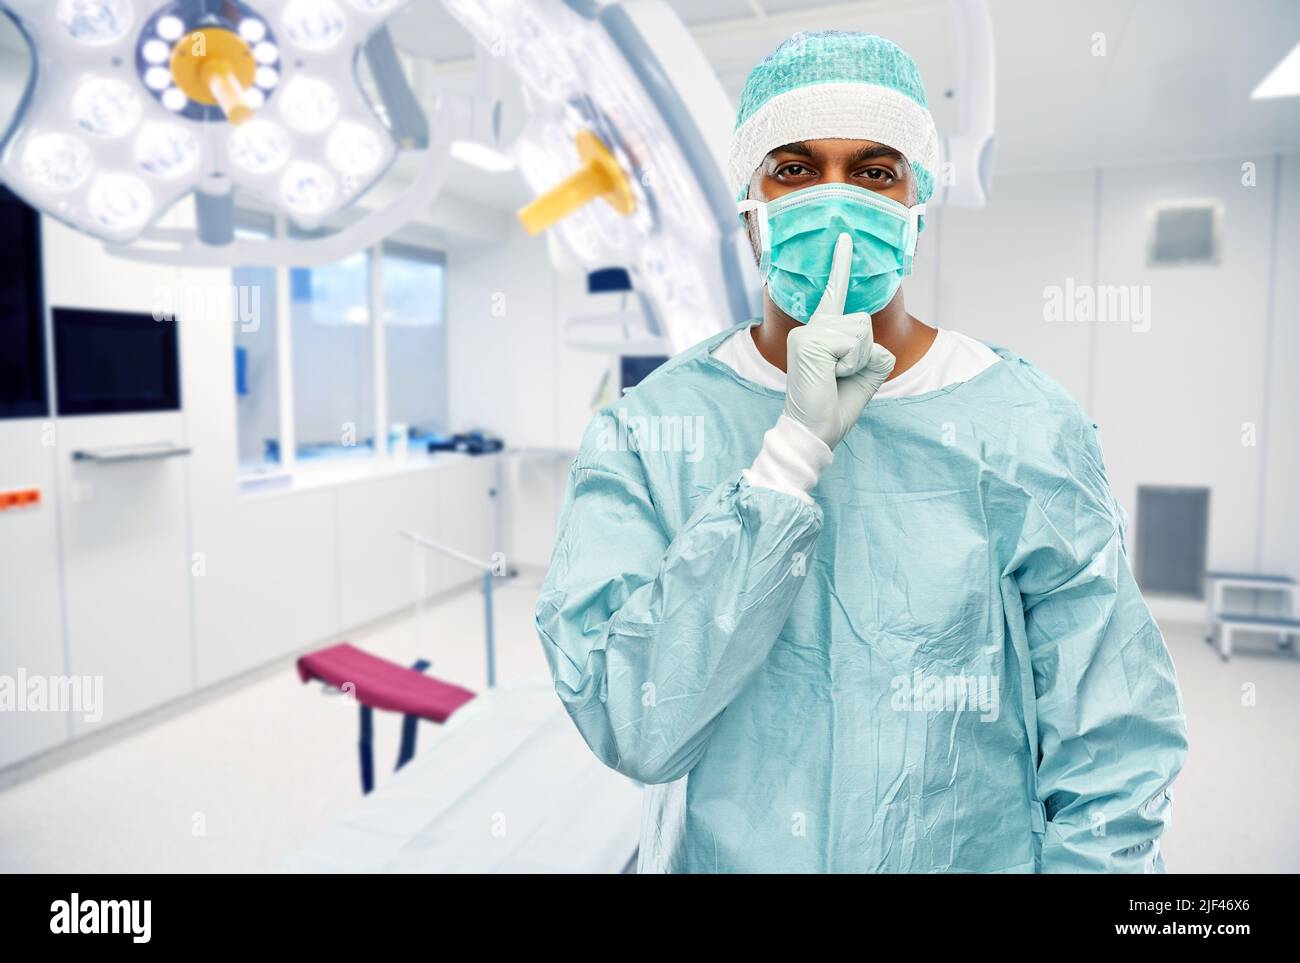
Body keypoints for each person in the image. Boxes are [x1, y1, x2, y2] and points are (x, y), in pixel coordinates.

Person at [535, 30, 1188, 873]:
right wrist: (788, 460)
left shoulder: (1025, 424)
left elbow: (1110, 742)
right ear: (748, 204)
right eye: (796, 169)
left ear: (918, 207)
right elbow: (633, 721)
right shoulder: (651, 431)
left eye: (875, 172)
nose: (835, 201)